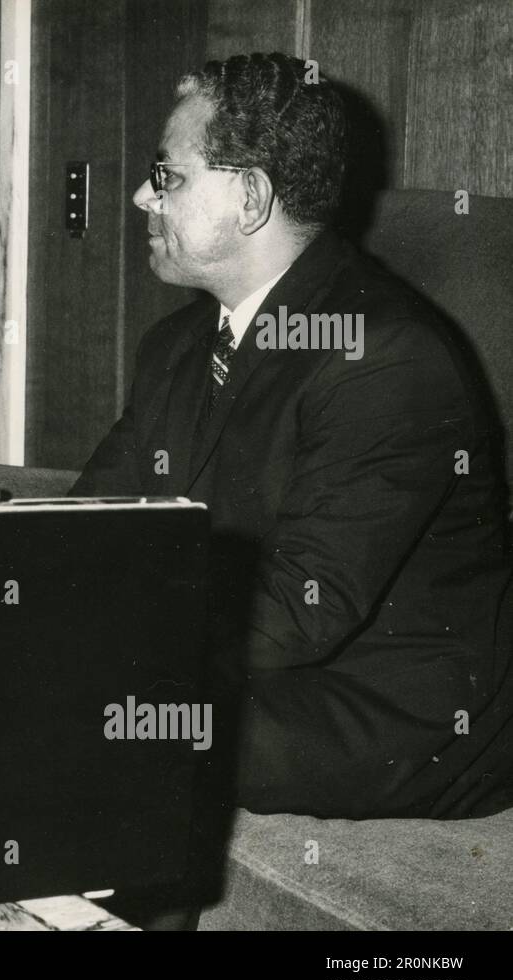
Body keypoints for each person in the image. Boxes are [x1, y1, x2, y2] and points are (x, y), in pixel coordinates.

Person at [72, 53, 513, 821]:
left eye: (167, 175)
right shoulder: (176, 346)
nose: (143, 194)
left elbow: (304, 610)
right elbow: (92, 520)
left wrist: (102, 644)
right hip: (259, 650)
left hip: (386, 701)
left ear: (249, 197)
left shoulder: (383, 354)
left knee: (113, 722)